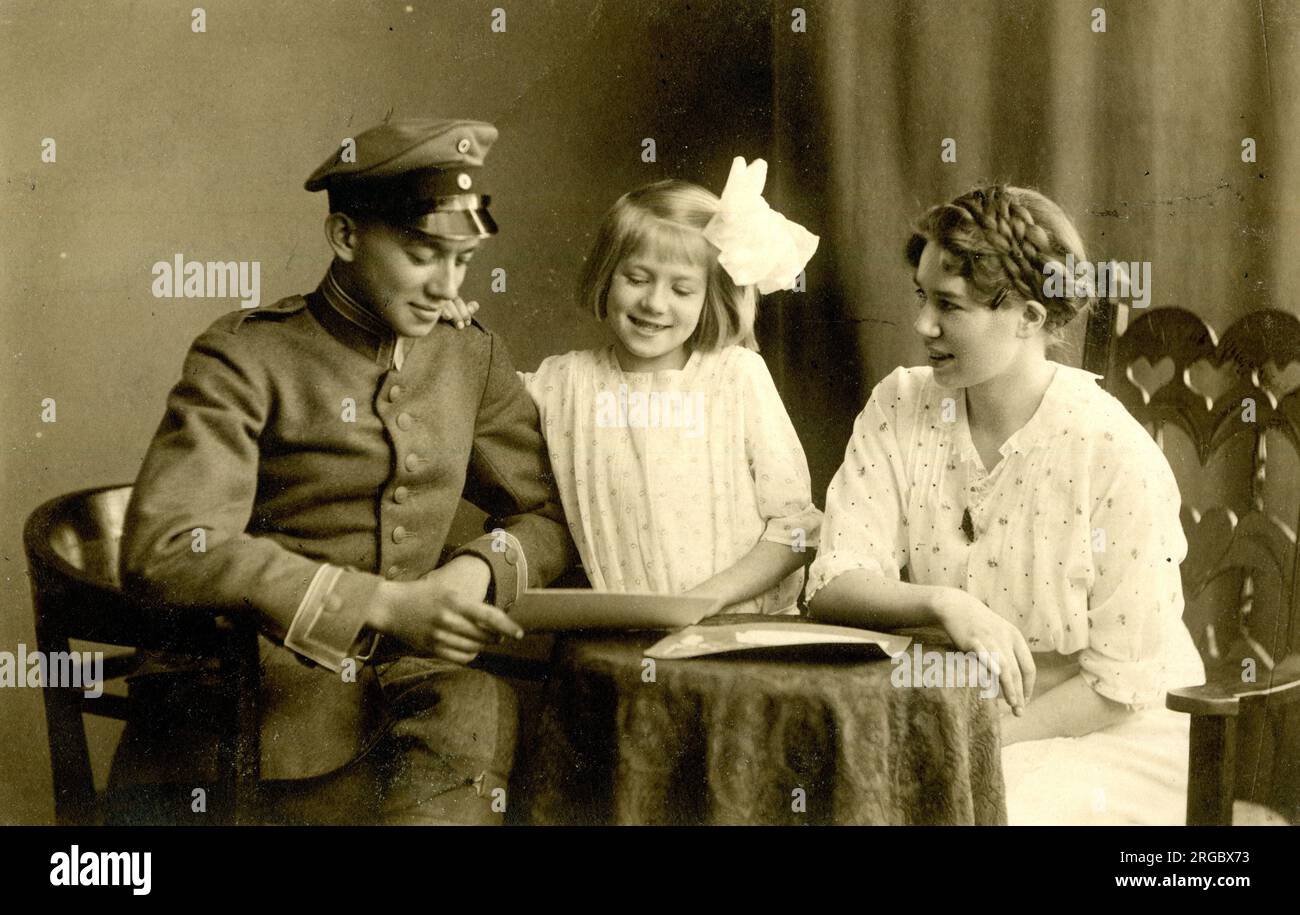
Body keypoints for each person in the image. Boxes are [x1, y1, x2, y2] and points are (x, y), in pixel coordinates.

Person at [114, 117, 577, 825]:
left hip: (411, 691)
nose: (444, 286)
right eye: (423, 254)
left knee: (477, 710)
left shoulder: (467, 357)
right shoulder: (246, 357)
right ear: (346, 237)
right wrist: (381, 605)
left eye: (461, 261)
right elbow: (171, 545)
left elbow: (547, 514)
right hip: (246, 706)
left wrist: (477, 570)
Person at [806, 185, 1205, 825]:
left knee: (969, 812)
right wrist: (945, 602)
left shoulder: (1111, 453)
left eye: (949, 306)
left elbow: (1119, 686)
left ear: (1029, 316)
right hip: (948, 710)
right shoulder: (900, 405)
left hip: (1105, 735)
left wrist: (968, 737)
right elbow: (833, 581)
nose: (922, 325)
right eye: (921, 297)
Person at [518, 159, 823, 615]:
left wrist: (703, 600)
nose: (654, 302)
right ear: (607, 274)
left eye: (682, 289)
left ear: (709, 297)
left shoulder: (736, 377)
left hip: (744, 637)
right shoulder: (566, 383)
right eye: (637, 279)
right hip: (630, 637)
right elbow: (477, 391)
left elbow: (797, 531)